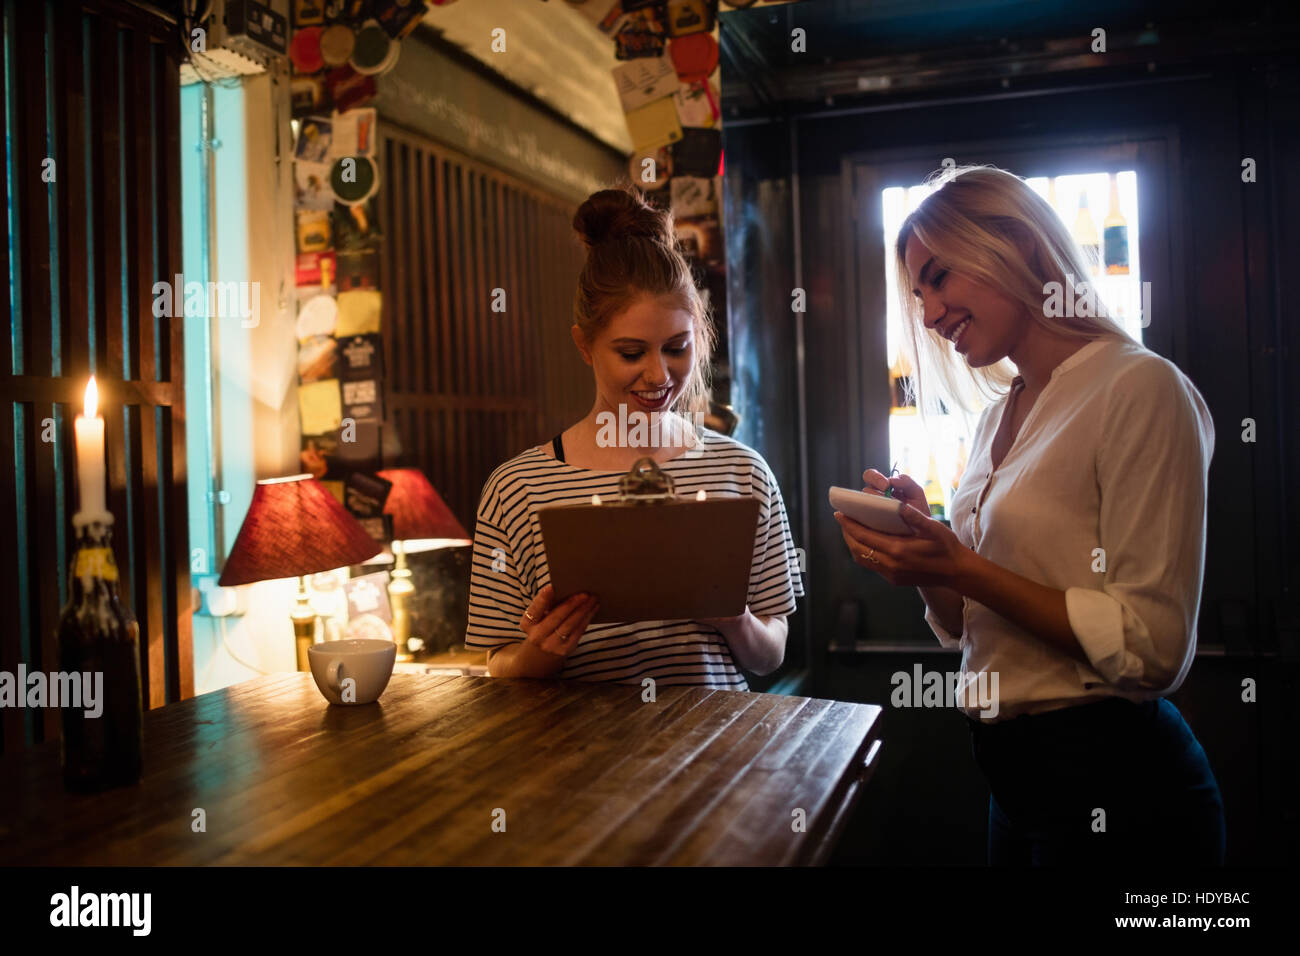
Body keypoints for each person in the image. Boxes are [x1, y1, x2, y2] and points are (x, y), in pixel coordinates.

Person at [834, 165, 1224, 865]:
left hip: (1122, 793)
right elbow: (965, 628)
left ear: (1015, 245)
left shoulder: (1140, 387)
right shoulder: (994, 421)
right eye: (918, 292)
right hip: (1014, 791)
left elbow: (1155, 646)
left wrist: (964, 565)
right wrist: (929, 556)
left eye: (939, 276)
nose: (927, 313)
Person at [465, 186, 803, 689]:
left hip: (717, 760)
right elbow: (498, 663)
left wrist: (732, 616)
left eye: (676, 348)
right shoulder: (517, 486)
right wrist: (541, 652)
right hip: (580, 762)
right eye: (630, 353)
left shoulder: (741, 472)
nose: (659, 375)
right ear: (584, 344)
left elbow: (770, 654)